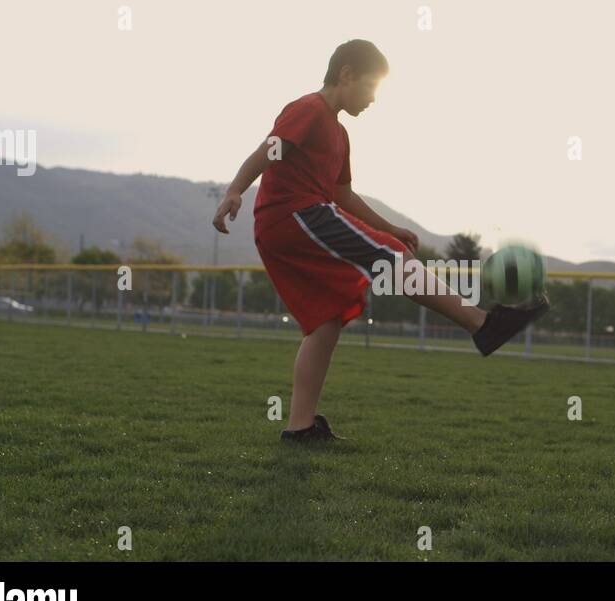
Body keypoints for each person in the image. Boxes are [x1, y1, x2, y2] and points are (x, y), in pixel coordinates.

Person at [212, 40, 548, 442]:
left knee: (327, 319)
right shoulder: (309, 109)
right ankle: (482, 325)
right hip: (294, 214)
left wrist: (388, 227)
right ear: (347, 74)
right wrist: (235, 190)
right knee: (389, 257)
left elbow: (344, 197)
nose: (374, 100)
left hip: (295, 221)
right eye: (372, 88)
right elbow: (267, 151)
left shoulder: (339, 135)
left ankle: (299, 427)